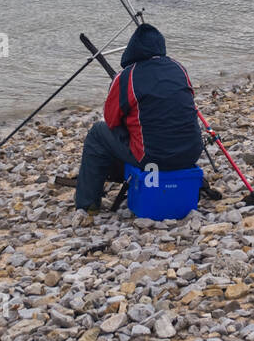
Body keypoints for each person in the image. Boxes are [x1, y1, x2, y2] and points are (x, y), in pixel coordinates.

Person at [74, 23, 203, 211]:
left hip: (153, 159)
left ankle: (87, 204)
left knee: (97, 133)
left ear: (132, 49)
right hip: (190, 154)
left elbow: (111, 120)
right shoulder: (179, 69)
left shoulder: (127, 77)